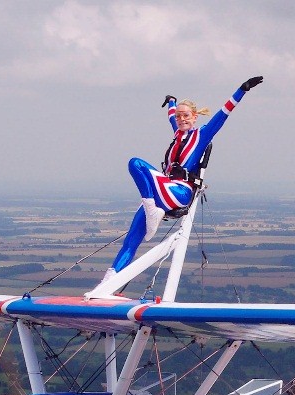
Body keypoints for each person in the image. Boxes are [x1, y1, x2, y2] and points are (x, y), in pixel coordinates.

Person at [102, 76, 264, 280]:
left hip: (179, 192)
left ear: (195, 117)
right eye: (179, 117)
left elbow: (224, 112)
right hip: (162, 191)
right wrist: (171, 101)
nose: (181, 119)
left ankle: (153, 209)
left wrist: (243, 89)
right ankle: (108, 282)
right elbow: (171, 115)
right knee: (131, 240)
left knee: (136, 163)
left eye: (186, 116)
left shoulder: (202, 135)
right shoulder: (177, 133)